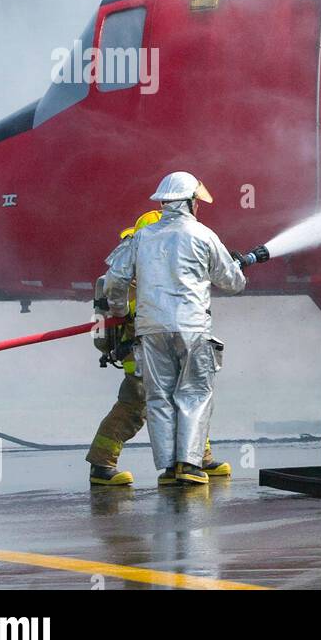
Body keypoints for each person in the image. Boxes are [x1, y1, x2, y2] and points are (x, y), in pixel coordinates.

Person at [105, 173, 246, 486]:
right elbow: (234, 283)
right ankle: (190, 464)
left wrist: (119, 310)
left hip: (150, 329)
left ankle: (169, 470)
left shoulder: (142, 237)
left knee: (159, 398)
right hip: (191, 328)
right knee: (194, 393)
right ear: (190, 202)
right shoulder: (204, 235)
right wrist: (230, 268)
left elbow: (114, 279)